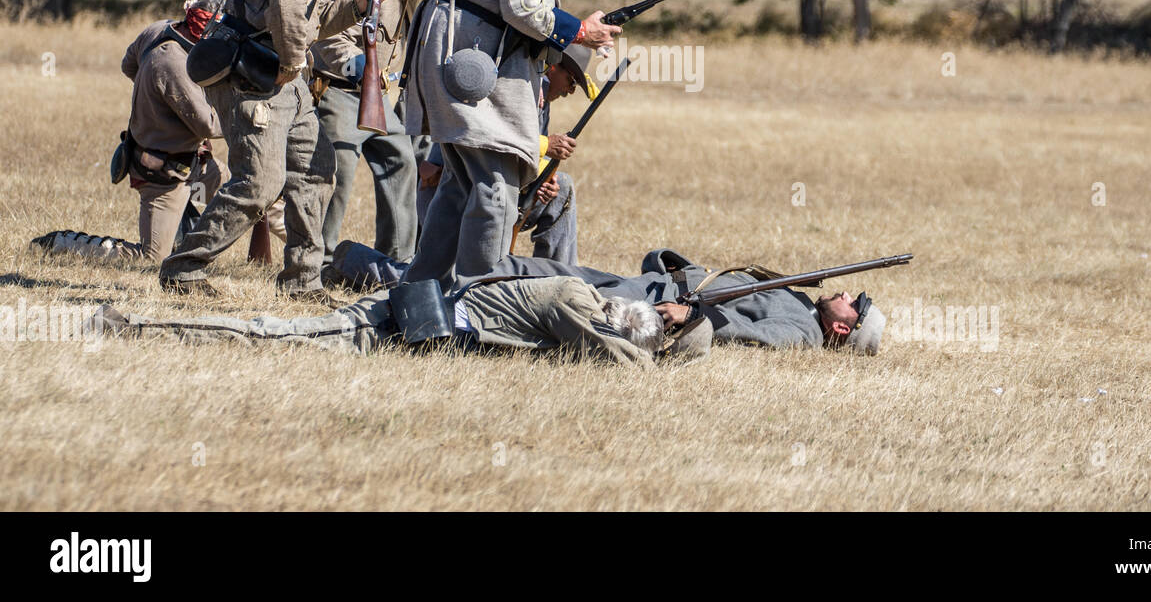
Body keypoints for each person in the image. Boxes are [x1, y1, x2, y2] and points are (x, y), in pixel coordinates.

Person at [158, 0, 392, 301]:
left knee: (317, 171)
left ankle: (303, 280)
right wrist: (292, 62)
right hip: (258, 75)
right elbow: (285, 11)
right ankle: (184, 267)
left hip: (282, 73)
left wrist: (360, 4)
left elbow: (313, 21)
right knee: (260, 184)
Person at [401, 0, 618, 294]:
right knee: (496, 188)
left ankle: (419, 293)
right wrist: (580, 32)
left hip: (450, 58)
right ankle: (480, 301)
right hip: (474, 72)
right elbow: (524, 5)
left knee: (460, 188)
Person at [325, 244, 887, 355]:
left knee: (518, 275)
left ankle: (381, 276)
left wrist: (690, 309)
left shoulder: (801, 333)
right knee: (526, 269)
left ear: (843, 330)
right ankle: (388, 274)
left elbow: (729, 327)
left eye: (852, 305)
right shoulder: (800, 304)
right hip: (653, 288)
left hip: (652, 303)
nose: (845, 294)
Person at [85, 276, 663, 367]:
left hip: (397, 324)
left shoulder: (579, 294)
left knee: (273, 334)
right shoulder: (573, 302)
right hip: (385, 328)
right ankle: (131, 326)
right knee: (267, 332)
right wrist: (656, 367)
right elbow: (614, 357)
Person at [31, 0, 228, 264]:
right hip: (164, 174)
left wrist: (158, 99)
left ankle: (297, 256)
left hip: (194, 161)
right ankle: (64, 242)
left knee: (252, 190)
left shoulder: (157, 29)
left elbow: (128, 64)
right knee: (150, 259)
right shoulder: (175, 64)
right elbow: (209, 124)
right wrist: (244, 114)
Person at [310, 0, 447, 265]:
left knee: (401, 162)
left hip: (378, 97)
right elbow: (326, 37)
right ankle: (317, 262)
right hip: (338, 90)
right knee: (336, 177)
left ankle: (396, 261)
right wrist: (361, 68)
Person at [518, 43, 597, 263]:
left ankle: (557, 278)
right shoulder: (525, 89)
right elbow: (503, 140)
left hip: (516, 187)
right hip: (489, 186)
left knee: (561, 186)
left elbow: (532, 161)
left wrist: (545, 182)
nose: (570, 91)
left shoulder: (544, 100)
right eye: (571, 81)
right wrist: (546, 144)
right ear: (553, 67)